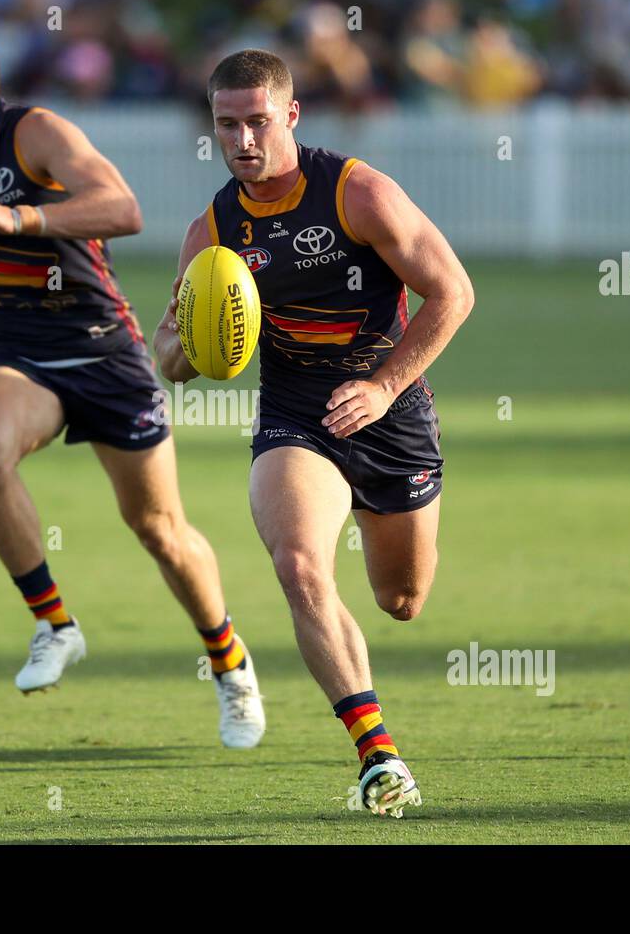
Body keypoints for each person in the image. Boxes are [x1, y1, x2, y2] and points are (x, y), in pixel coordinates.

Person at [0, 26, 264, 748]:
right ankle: (55, 624)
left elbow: (123, 209)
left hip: (105, 350)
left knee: (158, 529)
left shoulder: (35, 134)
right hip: (19, 354)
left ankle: (229, 662)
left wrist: (18, 217)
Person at [154, 49, 474, 814]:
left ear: (291, 115)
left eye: (257, 121)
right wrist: (194, 345)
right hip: (297, 414)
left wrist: (384, 385)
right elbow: (168, 353)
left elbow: (453, 293)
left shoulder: (357, 192)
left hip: (391, 410)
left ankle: (384, 559)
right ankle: (377, 755)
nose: (243, 140)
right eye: (226, 125)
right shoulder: (214, 231)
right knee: (299, 566)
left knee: (402, 599)